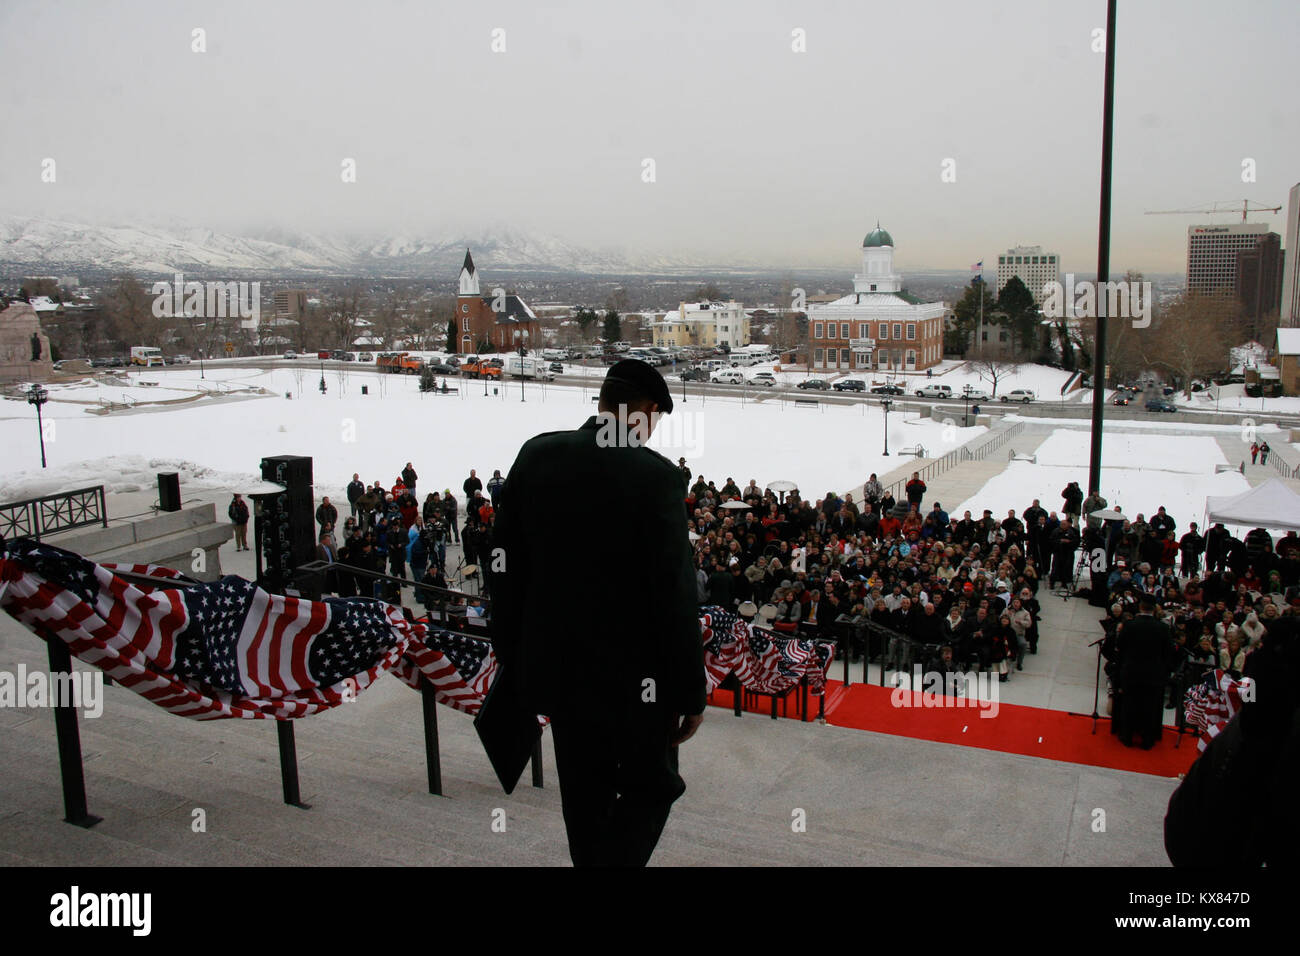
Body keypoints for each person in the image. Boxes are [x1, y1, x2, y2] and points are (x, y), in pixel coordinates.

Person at [488, 359, 705, 867]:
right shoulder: (656, 478)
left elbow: (503, 567)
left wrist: (514, 658)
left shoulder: (537, 455)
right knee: (654, 788)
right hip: (638, 685)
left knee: (583, 804)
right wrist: (690, 693)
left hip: (560, 678)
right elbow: (675, 597)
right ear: (647, 412)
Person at [1111, 594, 1176, 749]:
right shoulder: (1163, 628)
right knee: (1150, 707)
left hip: (1132, 671)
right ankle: (1148, 740)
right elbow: (1169, 652)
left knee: (1129, 704)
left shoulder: (1130, 625)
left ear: (1140, 606)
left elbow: (1119, 646)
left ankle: (1127, 736)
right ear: (1154, 609)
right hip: (1153, 674)